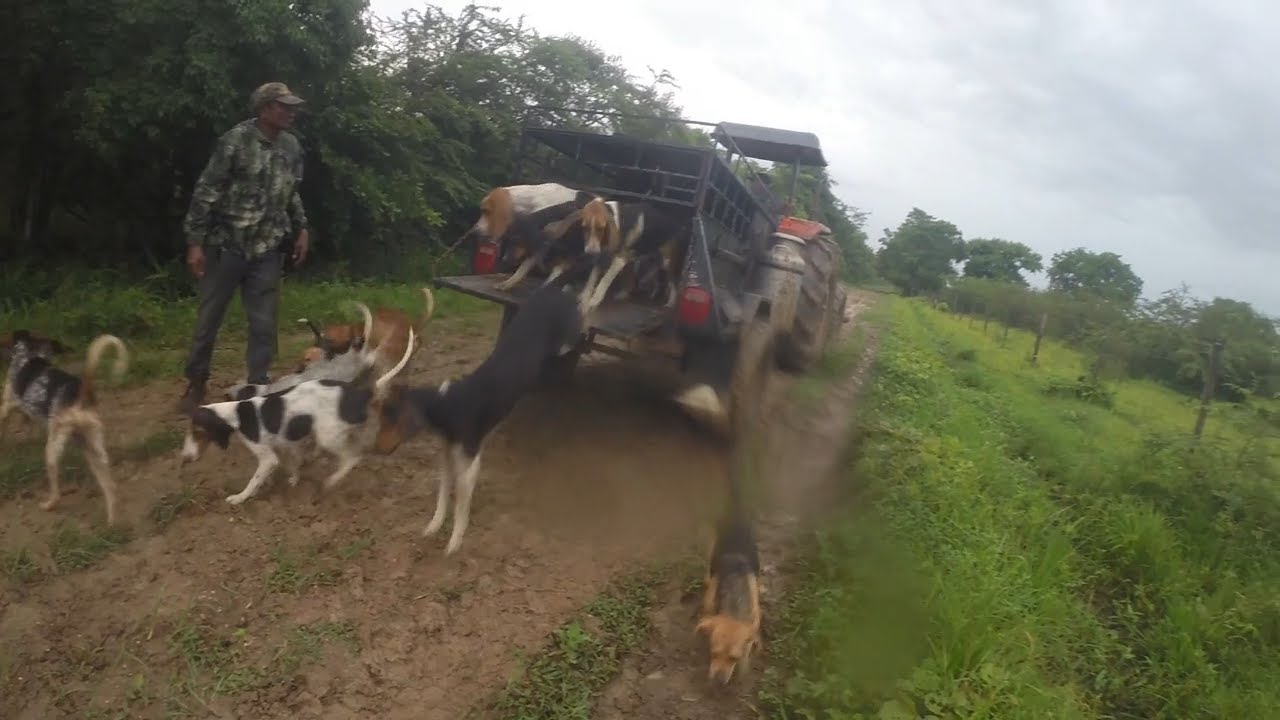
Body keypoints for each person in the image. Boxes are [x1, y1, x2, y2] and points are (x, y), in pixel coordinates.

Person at [177, 82, 311, 414]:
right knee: (208, 320)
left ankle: (258, 387)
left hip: (267, 250)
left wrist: (302, 227)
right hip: (226, 247)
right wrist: (195, 242)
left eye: (292, 107)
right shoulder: (235, 141)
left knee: (264, 324)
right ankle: (196, 382)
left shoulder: (292, 146)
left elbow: (290, 190)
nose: (291, 112)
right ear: (265, 108)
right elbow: (207, 190)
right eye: (284, 106)